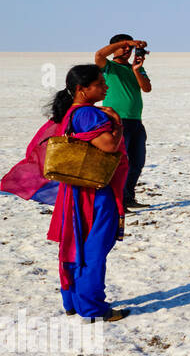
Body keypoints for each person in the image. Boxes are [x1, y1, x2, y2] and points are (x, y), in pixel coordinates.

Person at [45, 65, 130, 321]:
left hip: (75, 190)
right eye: (101, 84)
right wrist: (117, 122)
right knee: (94, 247)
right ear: (82, 89)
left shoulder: (70, 112)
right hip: (96, 192)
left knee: (75, 243)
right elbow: (108, 145)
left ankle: (72, 300)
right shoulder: (89, 115)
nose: (106, 88)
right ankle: (92, 307)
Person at [93, 35, 151, 208]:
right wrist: (127, 43)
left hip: (135, 121)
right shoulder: (108, 67)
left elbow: (147, 88)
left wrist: (136, 70)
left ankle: (127, 198)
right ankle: (115, 202)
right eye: (123, 47)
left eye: (130, 48)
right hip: (116, 121)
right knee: (119, 163)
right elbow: (99, 55)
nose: (127, 50)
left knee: (137, 162)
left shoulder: (137, 68)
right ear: (114, 47)